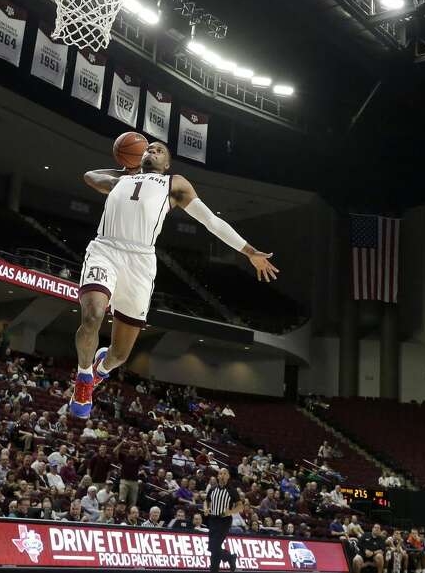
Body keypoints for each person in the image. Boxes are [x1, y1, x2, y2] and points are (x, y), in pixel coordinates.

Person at [69, 141, 279, 417]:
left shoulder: (174, 184)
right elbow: (89, 176)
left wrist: (249, 252)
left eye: (158, 150)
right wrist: (124, 169)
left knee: (120, 355)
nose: (151, 151)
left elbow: (211, 222)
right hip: (105, 250)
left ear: (167, 164)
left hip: (140, 262)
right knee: (93, 315)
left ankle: (102, 368)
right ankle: (84, 379)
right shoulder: (122, 179)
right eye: (148, 148)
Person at [205, 468, 244, 573]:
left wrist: (229, 512)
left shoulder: (232, 491)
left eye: (225, 473)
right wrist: (206, 508)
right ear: (218, 476)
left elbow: (240, 507)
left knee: (214, 545)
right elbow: (206, 501)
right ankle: (226, 560)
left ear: (228, 476)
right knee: (213, 546)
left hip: (224, 520)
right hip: (213, 519)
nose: (222, 475)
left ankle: (223, 562)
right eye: (220, 473)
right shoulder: (212, 489)